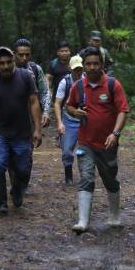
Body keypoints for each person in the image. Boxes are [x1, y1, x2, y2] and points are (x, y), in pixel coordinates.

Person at [65, 46, 130, 232]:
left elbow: (123, 110)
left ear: (101, 64)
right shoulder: (78, 86)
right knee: (86, 177)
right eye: (88, 64)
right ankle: (83, 222)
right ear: (83, 66)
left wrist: (115, 134)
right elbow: (69, 106)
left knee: (109, 178)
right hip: (85, 143)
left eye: (96, 63)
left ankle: (115, 216)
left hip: (107, 144)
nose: (92, 67)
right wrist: (75, 111)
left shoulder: (112, 85)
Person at [0, 47, 43, 214]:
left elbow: (34, 102)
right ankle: (1, 203)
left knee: (22, 168)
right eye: (1, 63)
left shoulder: (25, 77)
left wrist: (37, 129)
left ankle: (17, 190)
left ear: (14, 61)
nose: (6, 66)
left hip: (22, 132)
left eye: (9, 62)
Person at [54, 55, 84, 186]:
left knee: (86, 151)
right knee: (67, 151)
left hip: (84, 120)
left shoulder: (87, 81)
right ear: (70, 69)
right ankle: (68, 175)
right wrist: (60, 123)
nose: (78, 72)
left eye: (80, 69)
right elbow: (57, 103)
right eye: (75, 69)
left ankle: (85, 176)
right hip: (69, 119)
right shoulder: (64, 82)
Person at [14, 38, 51, 127]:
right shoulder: (6, 69)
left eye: (27, 55)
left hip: (32, 115)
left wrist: (46, 112)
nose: (24, 58)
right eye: (21, 55)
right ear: (14, 54)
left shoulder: (36, 69)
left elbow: (44, 92)